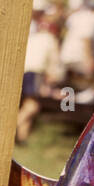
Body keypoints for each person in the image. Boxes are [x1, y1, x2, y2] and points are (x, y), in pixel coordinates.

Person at [16, 10, 63, 143]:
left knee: (28, 105)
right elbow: (54, 63)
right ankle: (12, 128)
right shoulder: (51, 40)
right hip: (35, 72)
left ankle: (21, 138)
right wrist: (55, 76)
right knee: (32, 106)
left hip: (23, 71)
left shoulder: (33, 37)